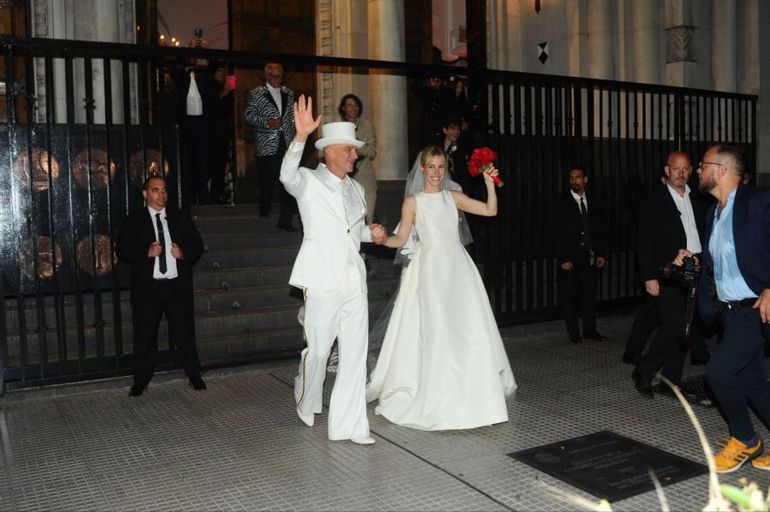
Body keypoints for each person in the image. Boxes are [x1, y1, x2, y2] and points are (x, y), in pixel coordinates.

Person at [366, 145, 517, 431]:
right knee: (437, 329)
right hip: (431, 270)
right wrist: (383, 239)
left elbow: (489, 210)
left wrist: (489, 184)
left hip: (458, 268)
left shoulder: (454, 197)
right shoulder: (413, 201)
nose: (436, 173)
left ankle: (471, 387)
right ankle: (439, 391)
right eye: (431, 167)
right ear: (422, 169)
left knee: (466, 326)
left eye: (441, 167)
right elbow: (400, 239)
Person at [281, 95, 386, 445]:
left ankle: (350, 426)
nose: (355, 155)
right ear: (329, 151)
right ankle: (306, 393)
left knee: (354, 354)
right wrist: (299, 137)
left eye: (355, 150)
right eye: (349, 150)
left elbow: (353, 229)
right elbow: (286, 176)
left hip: (353, 278)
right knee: (321, 351)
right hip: (322, 278)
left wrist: (372, 233)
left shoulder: (356, 188)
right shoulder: (308, 181)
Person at [696, 144, 770, 473]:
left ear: (721, 171)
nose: (699, 170)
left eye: (703, 164)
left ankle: (745, 440)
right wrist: (694, 262)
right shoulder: (713, 212)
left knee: (719, 373)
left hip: (754, 310)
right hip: (730, 313)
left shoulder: (758, 202)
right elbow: (724, 263)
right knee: (753, 382)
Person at [116, 175, 206, 397]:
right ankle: (141, 380)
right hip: (148, 289)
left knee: (185, 333)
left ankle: (194, 374)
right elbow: (122, 250)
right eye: (155, 190)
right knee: (145, 336)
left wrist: (182, 253)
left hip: (176, 287)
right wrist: (146, 253)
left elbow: (197, 245)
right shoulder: (134, 220)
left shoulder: (179, 217)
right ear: (146, 194)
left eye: (164, 190)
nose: (161, 195)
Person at [632, 151, 705, 398]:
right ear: (667, 170)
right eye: (676, 168)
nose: (681, 173)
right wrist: (648, 276)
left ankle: (670, 382)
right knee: (674, 325)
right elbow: (644, 242)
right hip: (667, 272)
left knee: (685, 328)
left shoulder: (698, 200)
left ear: (692, 170)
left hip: (695, 270)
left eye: (685, 168)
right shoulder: (653, 202)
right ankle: (644, 369)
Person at [553, 167, 608, 344]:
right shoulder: (562, 203)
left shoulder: (594, 201)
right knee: (570, 295)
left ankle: (590, 330)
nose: (574, 181)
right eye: (571, 178)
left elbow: (600, 230)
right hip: (571, 259)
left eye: (578, 178)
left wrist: (600, 253)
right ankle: (573, 331)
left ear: (585, 179)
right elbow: (556, 233)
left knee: (589, 295)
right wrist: (562, 259)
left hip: (590, 257)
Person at [244, 62, 297, 230]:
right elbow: (248, 116)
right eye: (274, 76)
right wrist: (267, 122)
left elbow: (292, 117)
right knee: (266, 182)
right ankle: (264, 215)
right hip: (267, 146)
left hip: (287, 143)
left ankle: (286, 221)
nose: (277, 79)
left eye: (280, 75)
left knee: (287, 181)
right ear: (266, 76)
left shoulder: (289, 93)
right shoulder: (256, 93)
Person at [339, 93, 377, 222]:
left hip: (364, 174)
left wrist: (358, 144)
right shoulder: (337, 127)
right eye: (350, 105)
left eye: (356, 105)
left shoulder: (367, 125)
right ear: (343, 108)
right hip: (344, 176)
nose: (354, 108)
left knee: (368, 215)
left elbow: (372, 152)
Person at [202, 62, 234, 204]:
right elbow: (209, 105)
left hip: (222, 134)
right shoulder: (209, 86)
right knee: (211, 165)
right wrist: (223, 94)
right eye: (220, 71)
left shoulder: (222, 87)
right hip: (210, 135)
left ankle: (217, 194)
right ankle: (207, 194)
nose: (223, 75)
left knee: (219, 166)